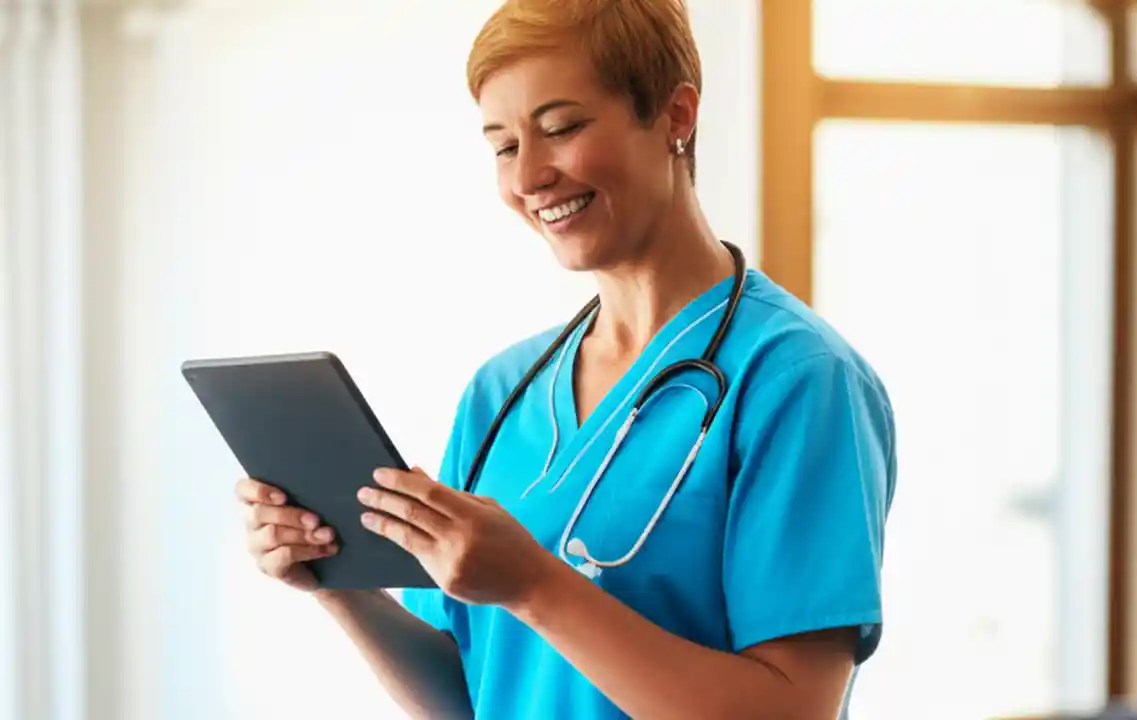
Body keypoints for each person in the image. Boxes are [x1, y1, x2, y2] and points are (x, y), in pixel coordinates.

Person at [233, 0, 896, 717]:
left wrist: (535, 585)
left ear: (676, 116)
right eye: (504, 146)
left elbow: (794, 711)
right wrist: (342, 587)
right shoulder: (503, 394)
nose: (529, 177)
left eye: (561, 128)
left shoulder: (796, 379)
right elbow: (473, 694)